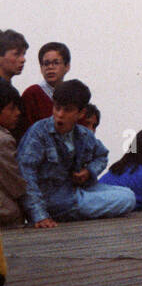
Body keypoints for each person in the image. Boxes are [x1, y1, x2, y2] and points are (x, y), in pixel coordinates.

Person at [17, 80, 135, 226]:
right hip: (53, 200)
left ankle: (83, 208)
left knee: (128, 195)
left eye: (67, 110)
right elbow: (25, 175)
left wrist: (88, 171)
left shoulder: (83, 134)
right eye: (57, 108)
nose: (59, 115)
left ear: (81, 113)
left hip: (75, 191)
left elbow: (101, 156)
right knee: (124, 200)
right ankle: (72, 211)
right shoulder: (38, 133)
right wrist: (39, 215)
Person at [20, 42, 71, 133]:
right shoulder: (32, 94)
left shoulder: (73, 96)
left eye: (56, 63)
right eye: (46, 64)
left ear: (67, 66)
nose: (50, 67)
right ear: (41, 68)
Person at [0, 81, 27, 227]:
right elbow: (16, 185)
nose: (17, 113)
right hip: (6, 217)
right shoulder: (3, 140)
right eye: (11, 108)